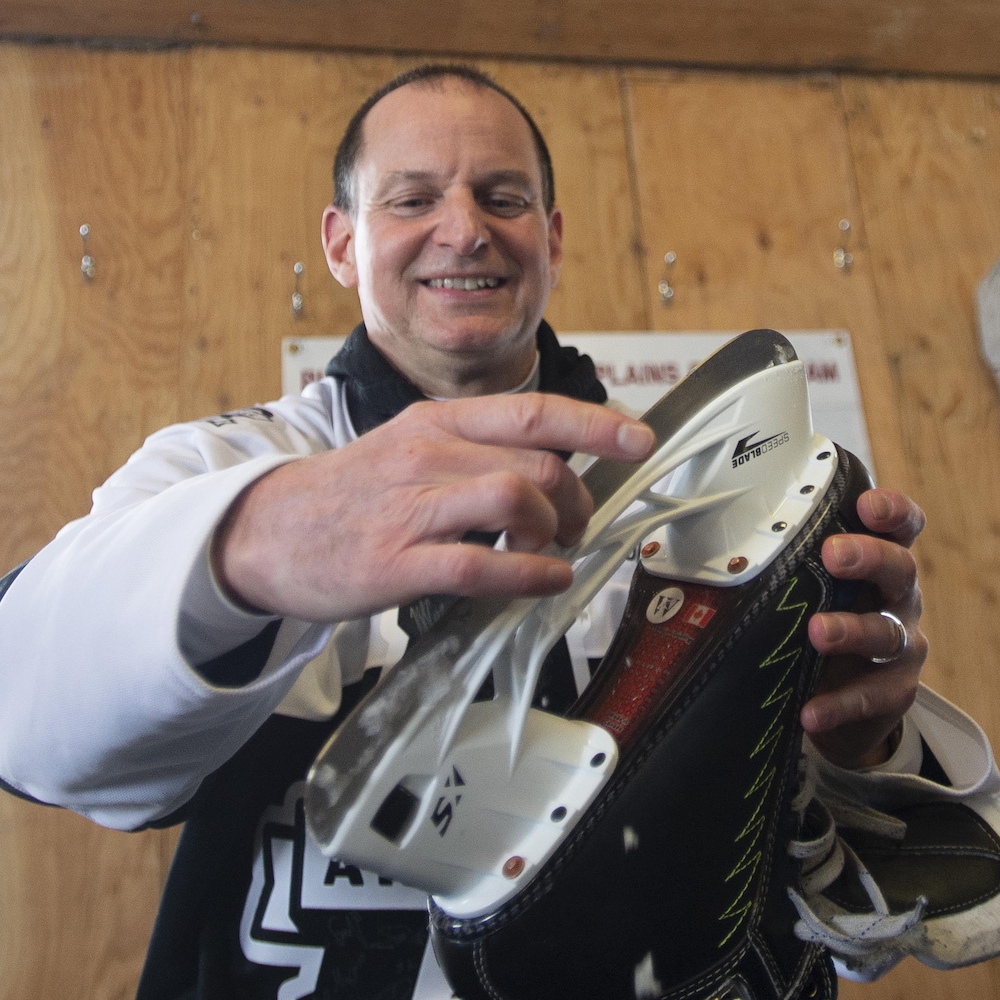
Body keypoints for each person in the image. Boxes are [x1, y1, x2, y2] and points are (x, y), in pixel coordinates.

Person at [0, 63, 974, 1000]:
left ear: (551, 237)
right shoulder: (222, 470)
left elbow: (895, 931)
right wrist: (253, 545)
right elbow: (25, 716)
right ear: (341, 244)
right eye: (413, 198)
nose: (463, 231)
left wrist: (867, 746)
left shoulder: (719, 485)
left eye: (502, 199)